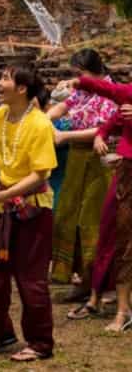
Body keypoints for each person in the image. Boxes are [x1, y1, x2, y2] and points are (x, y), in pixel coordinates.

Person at [0, 64, 56, 362]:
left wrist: (3, 194)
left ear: (22, 89)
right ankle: (1, 331)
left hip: (31, 208)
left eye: (5, 78)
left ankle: (41, 342)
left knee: (30, 279)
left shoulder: (40, 123)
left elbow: (40, 175)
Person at [58, 75, 132, 333]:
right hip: (126, 175)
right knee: (115, 234)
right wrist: (101, 136)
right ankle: (114, 305)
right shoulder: (128, 98)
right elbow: (109, 95)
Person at [47, 50, 117, 299]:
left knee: (92, 219)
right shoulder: (81, 91)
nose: (76, 78)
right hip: (76, 161)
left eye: (80, 73)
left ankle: (97, 282)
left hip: (97, 160)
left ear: (96, 71)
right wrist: (42, 120)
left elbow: (104, 128)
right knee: (66, 215)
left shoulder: (110, 91)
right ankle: (80, 278)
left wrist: (65, 136)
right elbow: (62, 107)